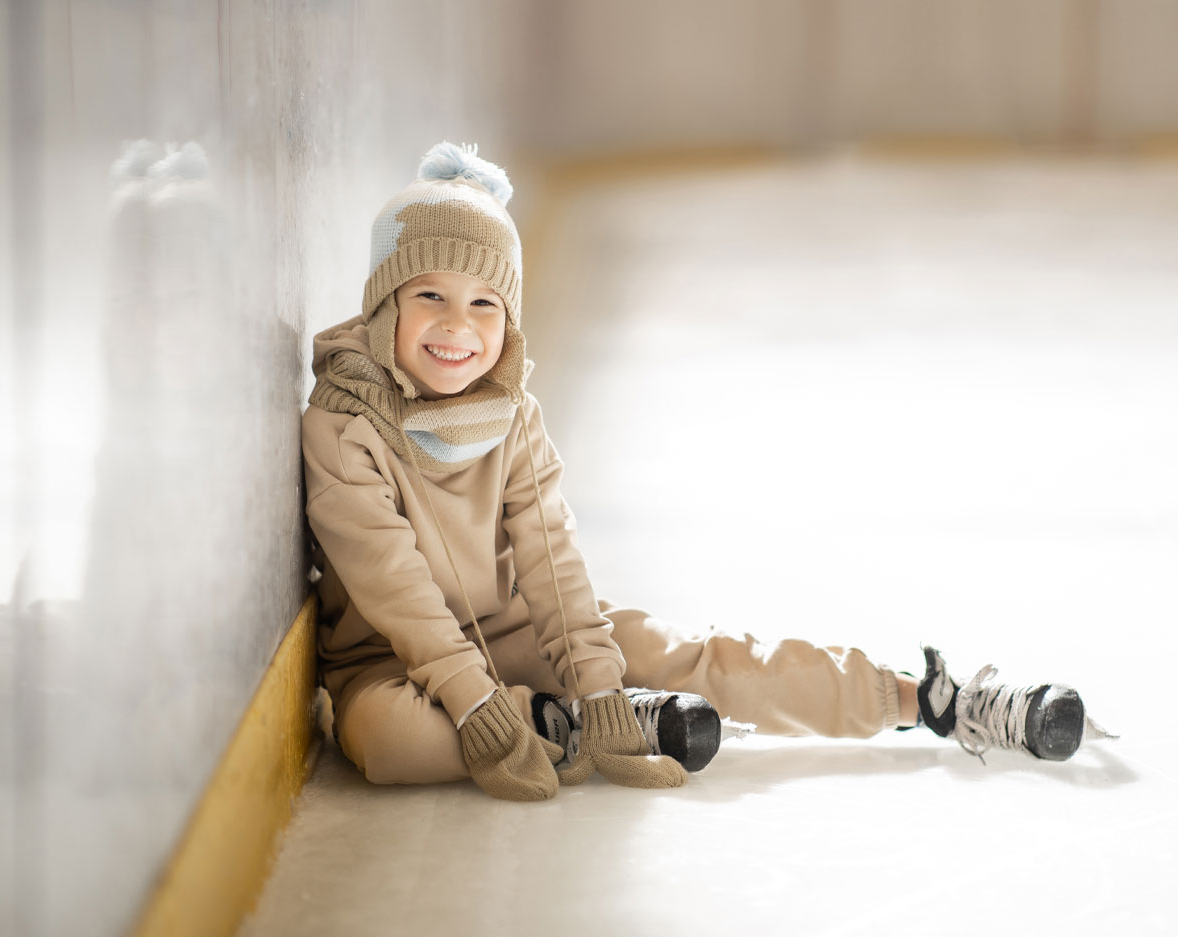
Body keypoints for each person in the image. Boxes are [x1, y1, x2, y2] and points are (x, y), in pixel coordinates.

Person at [301, 142, 1113, 802]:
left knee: (694, 655)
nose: (457, 327)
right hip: (395, 665)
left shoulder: (510, 409)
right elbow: (395, 586)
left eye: (485, 305)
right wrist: (480, 705)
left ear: (509, 323)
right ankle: (557, 725)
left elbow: (549, 550)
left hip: (515, 631)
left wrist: (600, 679)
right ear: (384, 307)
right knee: (387, 742)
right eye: (430, 296)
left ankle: (929, 699)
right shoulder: (343, 425)